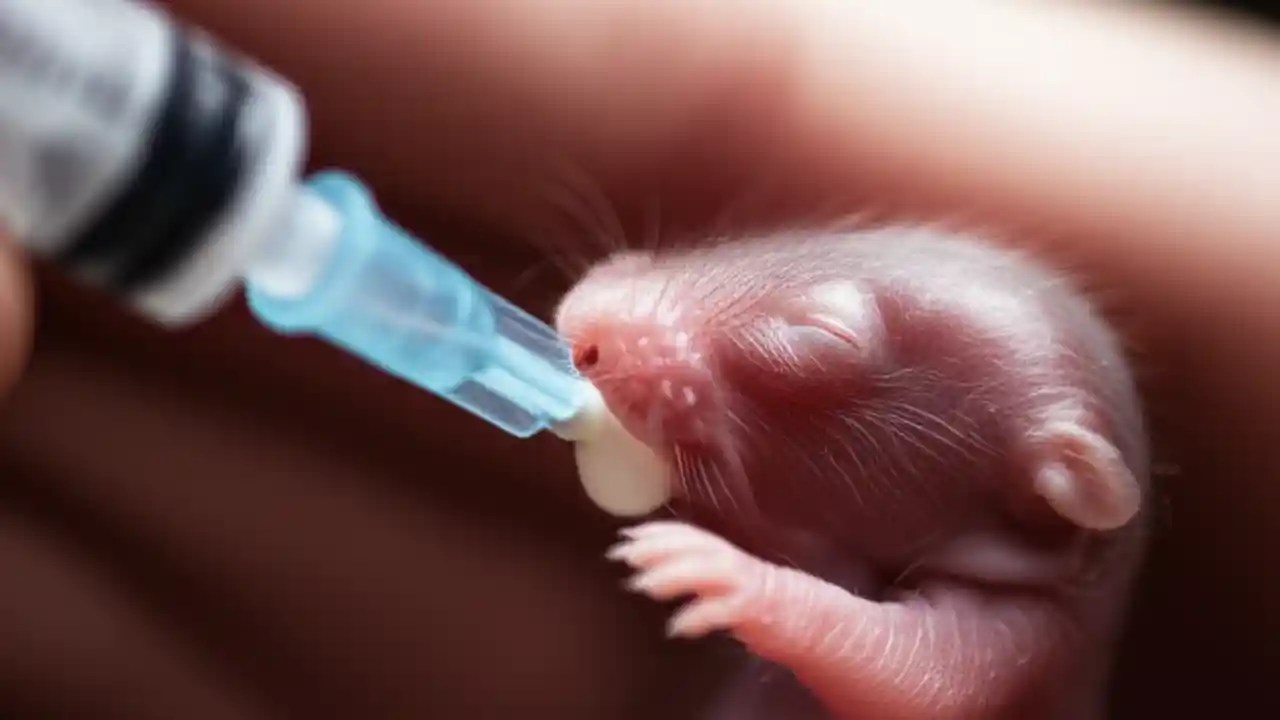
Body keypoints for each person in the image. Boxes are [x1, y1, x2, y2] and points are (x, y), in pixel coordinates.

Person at [0, 0, 1275, 717]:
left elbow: (926, 680)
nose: (608, 321)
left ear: (1054, 489)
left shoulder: (1003, 631)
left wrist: (776, 605)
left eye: (806, 339)